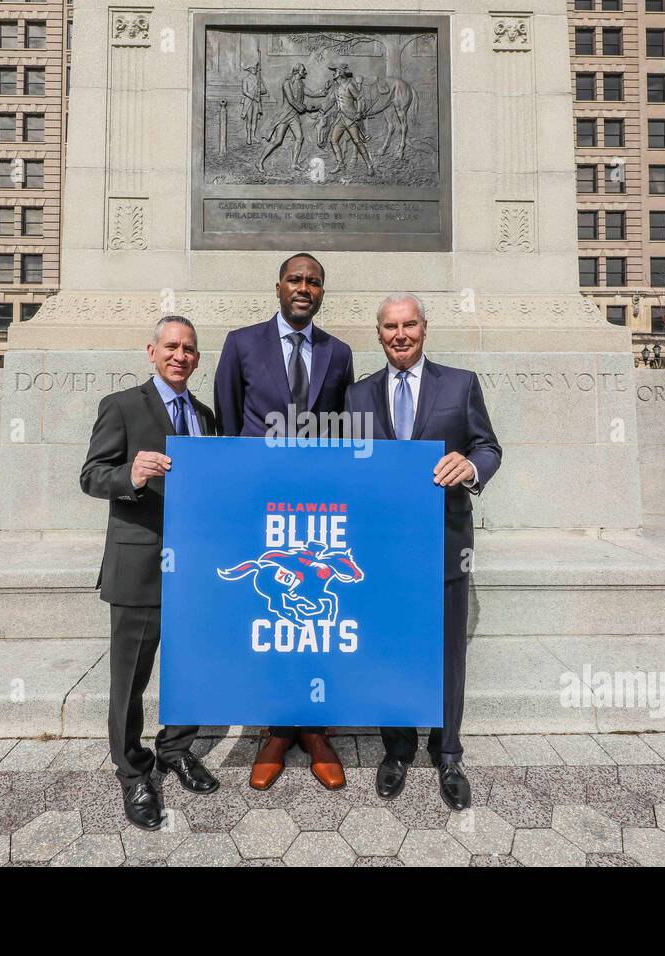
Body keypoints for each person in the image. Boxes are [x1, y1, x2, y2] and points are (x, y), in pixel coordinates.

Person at [343, 293, 502, 810]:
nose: (400, 334)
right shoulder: (357, 395)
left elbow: (489, 446)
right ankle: (397, 748)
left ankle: (448, 752)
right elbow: (349, 466)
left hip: (443, 544)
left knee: (446, 654)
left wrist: (471, 467)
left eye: (409, 324)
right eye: (390, 326)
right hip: (381, 551)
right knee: (389, 648)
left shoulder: (460, 384)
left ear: (425, 328)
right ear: (379, 332)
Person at [214, 252, 355, 791]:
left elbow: (340, 428)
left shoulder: (337, 352)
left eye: (313, 282)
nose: (304, 288)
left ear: (322, 292)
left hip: (317, 509)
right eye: (295, 279)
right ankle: (276, 728)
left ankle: (316, 729)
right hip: (261, 503)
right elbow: (228, 419)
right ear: (278, 287)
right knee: (272, 610)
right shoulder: (241, 343)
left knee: (315, 613)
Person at [80, 315, 221, 830]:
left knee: (191, 667)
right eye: (170, 346)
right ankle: (132, 771)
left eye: (188, 348)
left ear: (197, 359)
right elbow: (91, 476)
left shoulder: (206, 416)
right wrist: (130, 475)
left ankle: (177, 750)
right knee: (130, 679)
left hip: (195, 569)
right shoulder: (121, 406)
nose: (179, 355)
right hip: (140, 563)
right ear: (151, 351)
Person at [257, 64, 323, 172]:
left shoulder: (301, 84)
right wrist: (305, 108)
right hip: (285, 115)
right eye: (303, 70)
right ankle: (259, 162)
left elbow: (311, 93)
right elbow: (291, 100)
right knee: (277, 140)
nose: (305, 72)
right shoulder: (287, 83)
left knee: (299, 137)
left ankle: (294, 163)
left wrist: (323, 90)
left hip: (294, 116)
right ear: (297, 71)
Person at [240, 63, 265, 145]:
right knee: (249, 119)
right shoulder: (246, 79)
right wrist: (254, 97)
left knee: (254, 120)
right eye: (253, 68)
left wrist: (260, 88)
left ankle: (253, 136)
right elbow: (245, 91)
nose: (254, 69)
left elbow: (264, 91)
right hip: (249, 101)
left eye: (255, 68)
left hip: (256, 102)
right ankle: (248, 137)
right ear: (249, 69)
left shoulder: (258, 79)